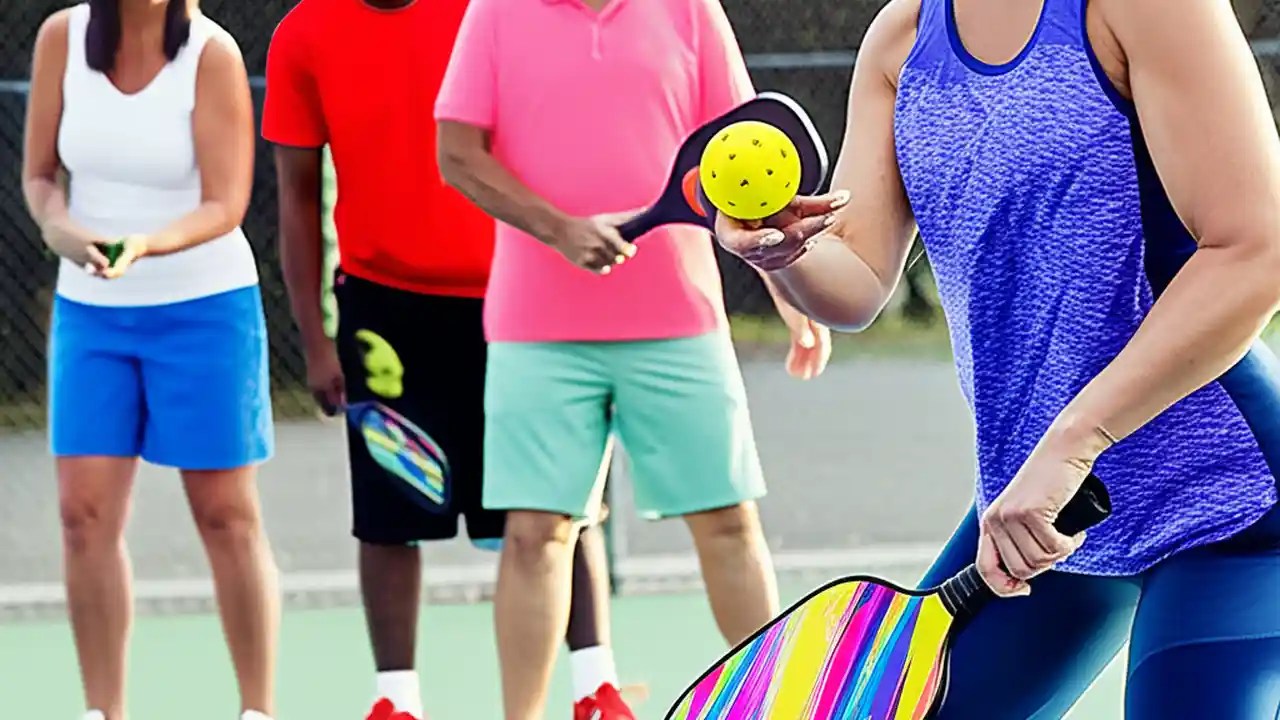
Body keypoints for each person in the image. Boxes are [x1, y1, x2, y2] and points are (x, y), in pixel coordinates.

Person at [715, 0, 1280, 716]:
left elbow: (1254, 251)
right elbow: (856, 278)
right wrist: (783, 251)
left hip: (1229, 504)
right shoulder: (903, 37)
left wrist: (1075, 443)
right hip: (1044, 514)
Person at [434, 0, 832, 717]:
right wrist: (558, 230)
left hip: (680, 321)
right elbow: (456, 153)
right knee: (534, 539)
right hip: (536, 329)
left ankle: (772, 709)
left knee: (728, 525)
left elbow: (750, 168)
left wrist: (787, 287)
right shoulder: (495, 12)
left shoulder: (690, 10)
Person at [261, 2, 637, 718]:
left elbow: (558, 137)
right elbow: (298, 197)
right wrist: (315, 339)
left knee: (556, 502)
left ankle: (595, 684)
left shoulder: (488, 11)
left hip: (521, 299)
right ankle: (395, 701)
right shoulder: (303, 32)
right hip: (384, 314)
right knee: (389, 509)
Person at [21, 1, 279, 719]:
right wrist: (61, 229)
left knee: (226, 515)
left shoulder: (212, 54)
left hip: (205, 309)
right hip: (91, 316)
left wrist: (144, 245)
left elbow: (225, 203)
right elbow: (40, 178)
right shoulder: (60, 39)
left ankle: (257, 709)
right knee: (84, 515)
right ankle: (102, 711)